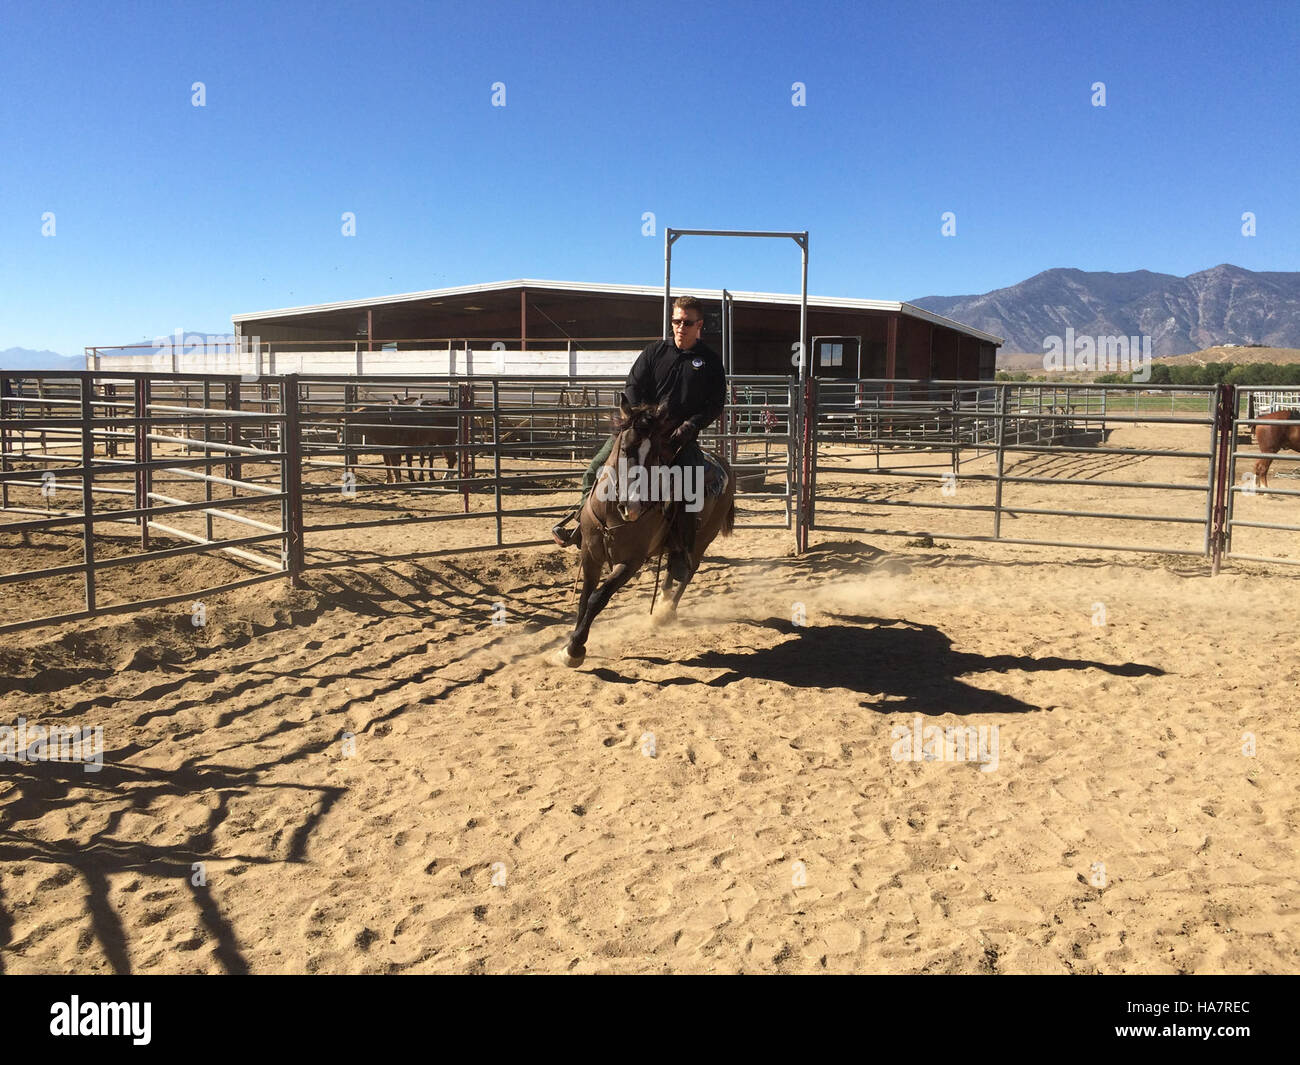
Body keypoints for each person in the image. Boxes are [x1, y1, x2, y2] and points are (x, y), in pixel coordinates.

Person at [551, 296, 726, 581]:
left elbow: (715, 403)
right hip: (641, 431)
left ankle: (681, 550)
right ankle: (581, 527)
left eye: (688, 322)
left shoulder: (709, 362)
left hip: (678, 438)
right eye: (677, 321)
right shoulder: (654, 352)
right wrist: (638, 420)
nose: (681, 327)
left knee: (690, 484)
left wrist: (690, 426)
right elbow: (633, 386)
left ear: (699, 325)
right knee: (595, 468)